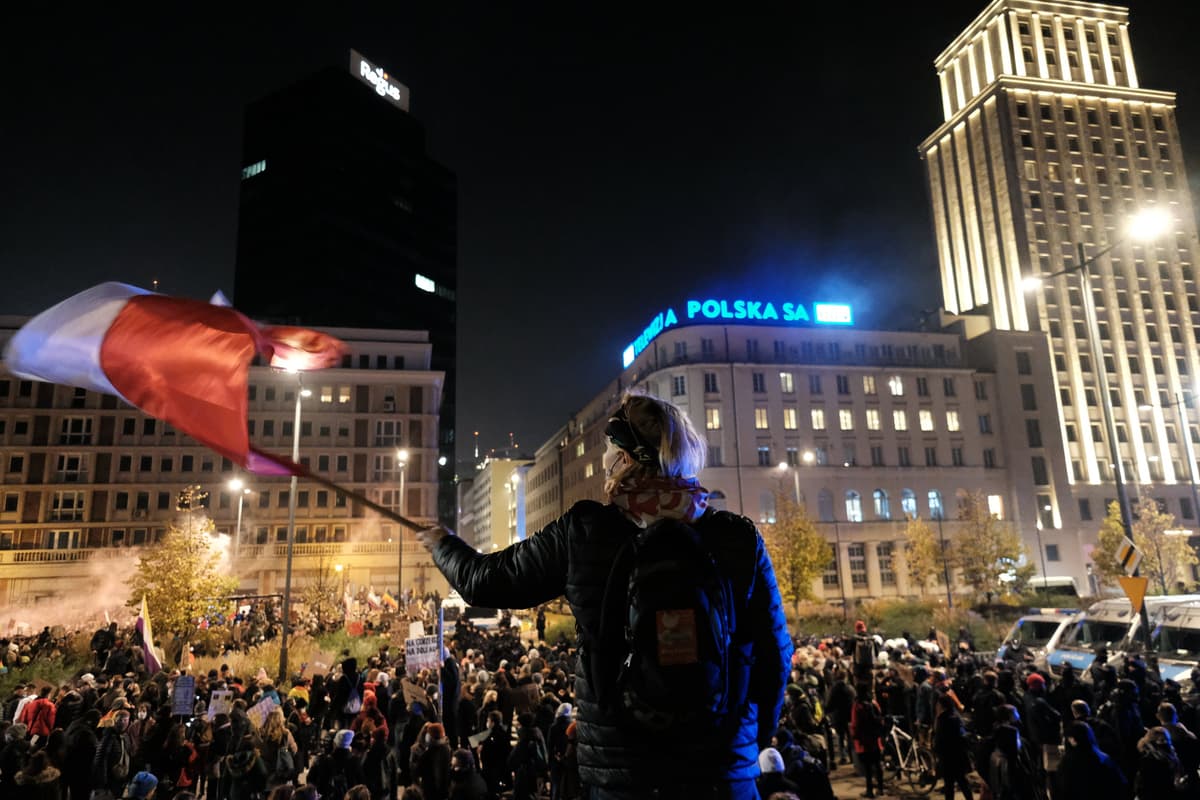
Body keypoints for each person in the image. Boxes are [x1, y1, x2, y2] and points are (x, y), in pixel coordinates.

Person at [417, 392, 793, 798]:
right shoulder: (737, 537)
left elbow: (485, 581)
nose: (604, 460)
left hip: (624, 779)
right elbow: (776, 655)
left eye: (609, 449)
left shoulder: (586, 532)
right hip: (722, 777)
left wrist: (442, 544)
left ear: (626, 459)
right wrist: (746, 746)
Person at [1056, 721, 1126, 800]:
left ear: (1073, 740)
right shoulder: (1105, 758)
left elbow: (1063, 789)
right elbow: (1121, 785)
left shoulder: (1068, 763)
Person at [932, 695, 972, 800]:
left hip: (948, 756)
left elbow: (941, 737)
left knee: (950, 784)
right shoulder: (954, 716)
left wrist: (937, 751)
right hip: (957, 755)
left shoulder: (944, 719)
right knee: (962, 782)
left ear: (941, 705)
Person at [850, 686, 885, 799]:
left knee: (868, 768)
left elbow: (855, 723)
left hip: (864, 741)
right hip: (875, 739)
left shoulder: (857, 706)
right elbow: (880, 717)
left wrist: (854, 736)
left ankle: (869, 791)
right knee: (877, 764)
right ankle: (880, 789)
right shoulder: (874, 703)